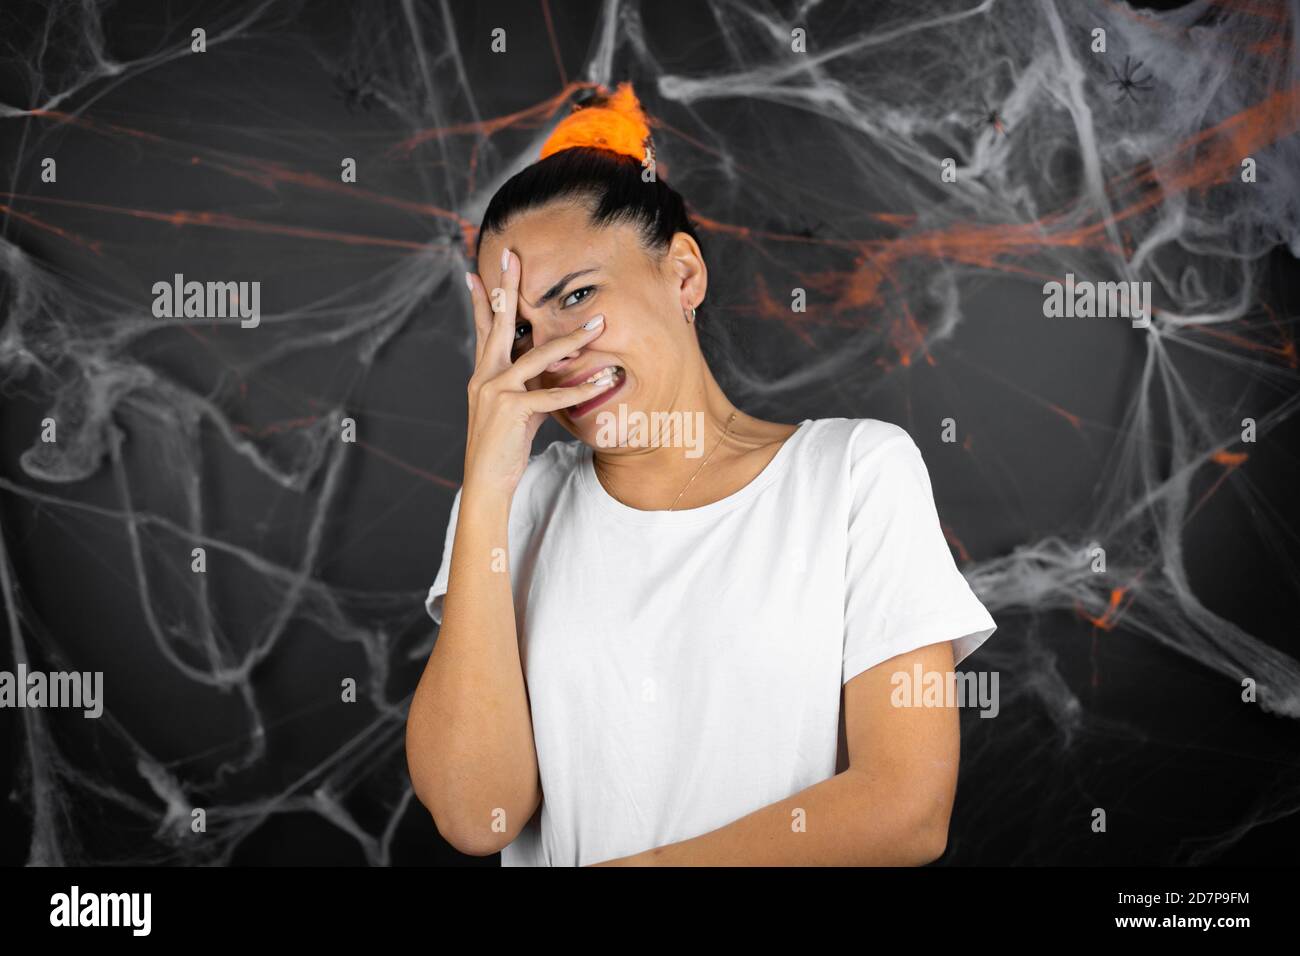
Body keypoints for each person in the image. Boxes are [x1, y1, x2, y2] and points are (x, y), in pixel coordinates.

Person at [405, 82, 997, 867]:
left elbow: (904, 809)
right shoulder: (511, 510)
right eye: (519, 332)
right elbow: (477, 816)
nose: (551, 354)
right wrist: (484, 493)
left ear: (683, 274)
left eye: (577, 296)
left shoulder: (854, 476)